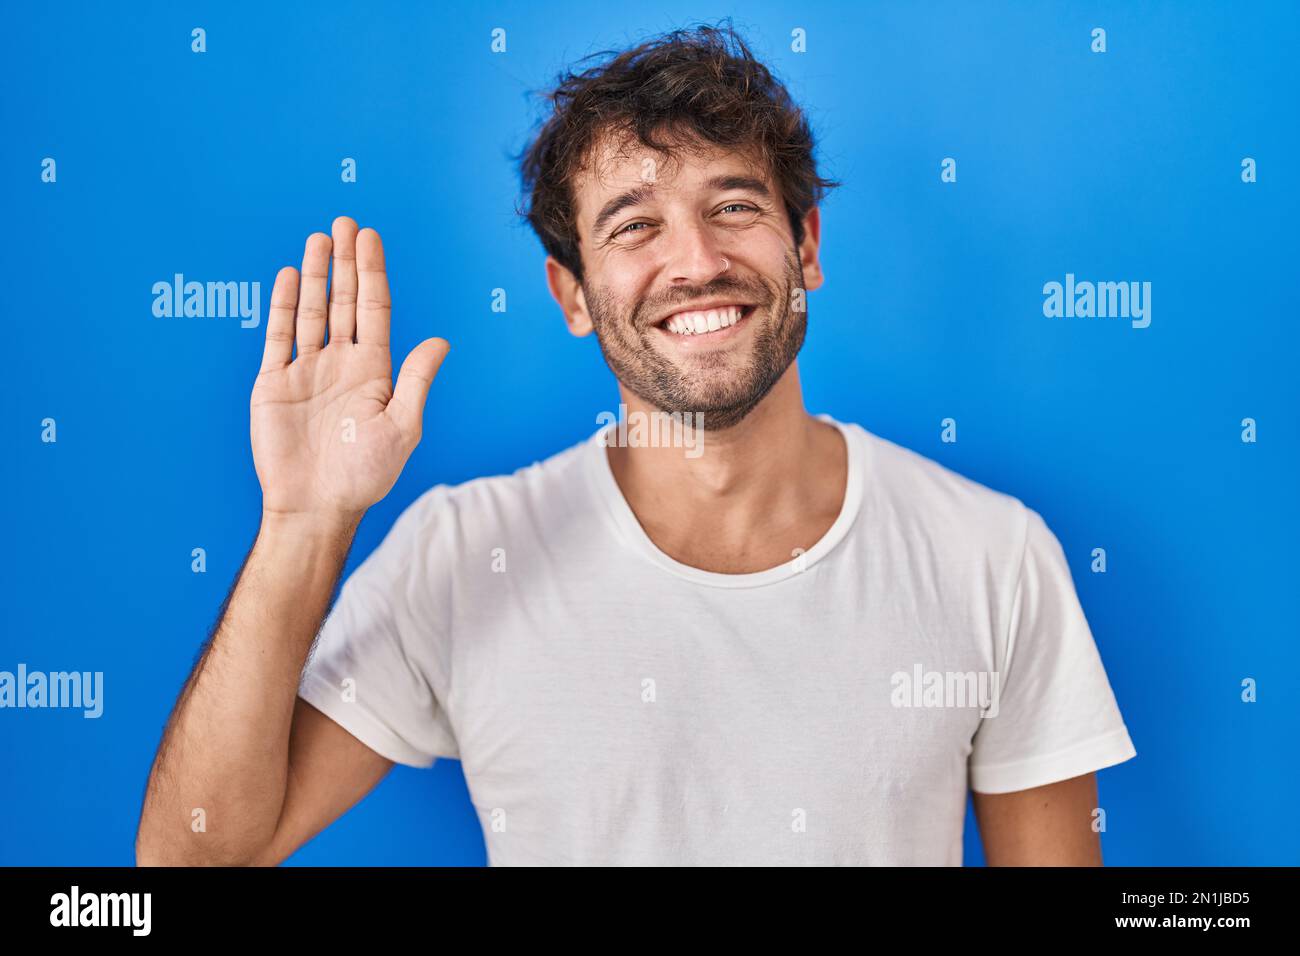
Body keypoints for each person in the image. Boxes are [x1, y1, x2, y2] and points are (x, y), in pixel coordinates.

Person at [137, 23, 1135, 866]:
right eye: (633, 226)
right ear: (571, 293)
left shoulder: (992, 553)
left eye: (734, 207)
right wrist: (304, 524)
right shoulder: (459, 551)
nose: (696, 261)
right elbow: (193, 856)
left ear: (809, 247)